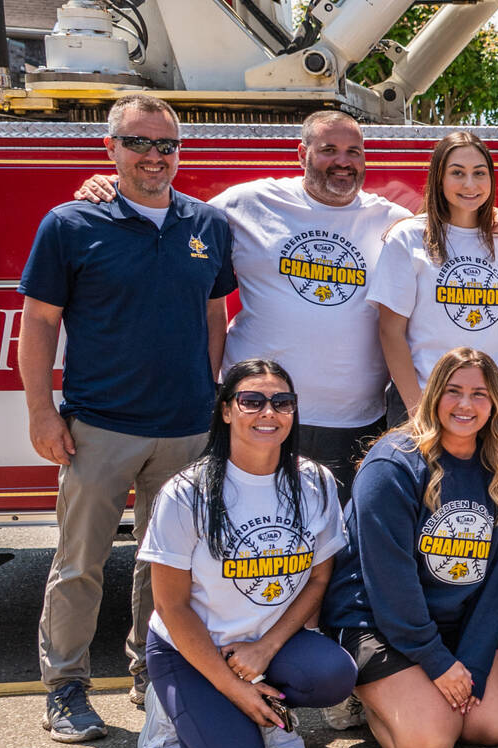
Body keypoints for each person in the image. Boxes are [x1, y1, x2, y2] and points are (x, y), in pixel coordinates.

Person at [18, 93, 237, 740]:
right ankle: (64, 687)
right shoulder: (70, 224)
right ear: (109, 148)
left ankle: (151, 674)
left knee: (162, 565)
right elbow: (38, 321)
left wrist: (211, 392)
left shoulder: (205, 225)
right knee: (79, 563)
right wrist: (40, 410)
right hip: (100, 428)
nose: (154, 157)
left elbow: (213, 313)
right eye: (139, 143)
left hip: (185, 428)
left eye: (166, 145)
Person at [74, 111, 411, 495]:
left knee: (339, 544)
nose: (343, 161)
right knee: (254, 536)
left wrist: (495, 219)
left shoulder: (393, 221)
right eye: (328, 149)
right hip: (258, 412)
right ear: (302, 154)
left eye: (354, 151)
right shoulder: (249, 202)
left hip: (356, 421)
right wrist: (113, 188)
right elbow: (170, 218)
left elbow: (453, 239)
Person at [135, 360, 356, 748]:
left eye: (282, 402)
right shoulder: (186, 493)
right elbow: (170, 605)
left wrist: (264, 649)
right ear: (226, 410)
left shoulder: (315, 481)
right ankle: (168, 706)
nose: (268, 413)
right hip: (191, 648)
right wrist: (236, 690)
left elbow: (317, 580)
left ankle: (266, 707)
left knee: (335, 676)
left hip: (267, 647)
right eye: (252, 401)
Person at [321, 348, 498, 748]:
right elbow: (389, 584)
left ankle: (417, 693)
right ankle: (361, 697)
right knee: (430, 743)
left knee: (492, 726)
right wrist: (437, 663)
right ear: (433, 395)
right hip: (375, 620)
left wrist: (468, 665)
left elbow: (495, 586)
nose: (465, 405)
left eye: (479, 394)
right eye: (453, 391)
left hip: (452, 623)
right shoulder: (392, 466)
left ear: (495, 404)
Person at [368, 132, 498, 415]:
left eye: (479, 173)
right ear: (439, 179)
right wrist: (415, 409)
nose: (470, 184)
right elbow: (390, 331)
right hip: (426, 396)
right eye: (457, 173)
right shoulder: (409, 237)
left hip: (492, 400)